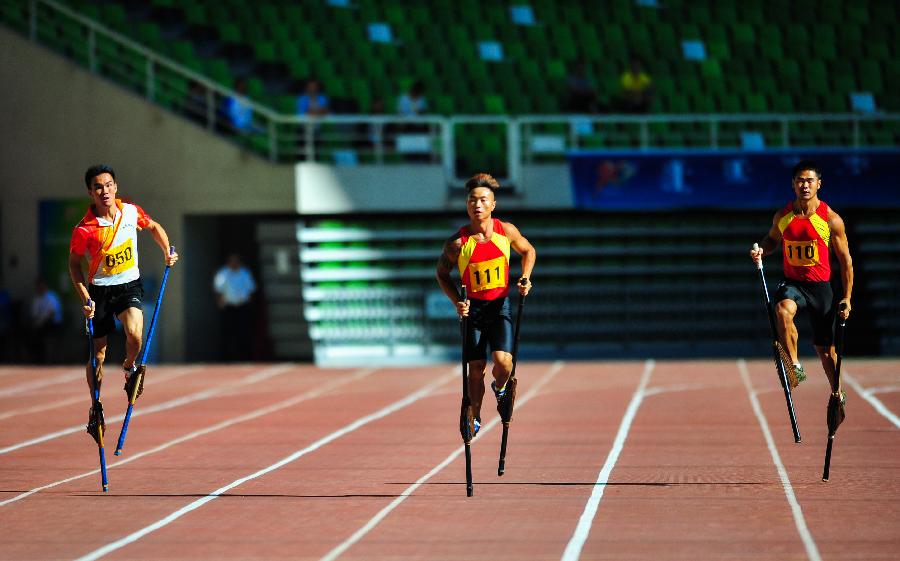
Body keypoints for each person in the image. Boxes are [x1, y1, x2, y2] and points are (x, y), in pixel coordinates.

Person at [68, 164, 178, 435]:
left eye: (108, 185)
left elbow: (153, 227)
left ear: (115, 187)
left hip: (128, 285)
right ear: (90, 193)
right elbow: (74, 265)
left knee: (135, 335)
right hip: (99, 292)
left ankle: (129, 368)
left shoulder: (130, 211)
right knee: (99, 354)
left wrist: (167, 251)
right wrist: (85, 298)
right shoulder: (85, 229)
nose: (104, 191)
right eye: (98, 187)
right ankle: (96, 405)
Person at [436, 173, 536, 435]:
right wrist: (458, 301)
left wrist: (525, 277)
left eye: (482, 200)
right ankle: (475, 415)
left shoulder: (506, 231)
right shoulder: (458, 244)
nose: (476, 205)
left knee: (504, 363)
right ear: (467, 205)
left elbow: (528, 251)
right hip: (473, 311)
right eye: (472, 200)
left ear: (493, 205)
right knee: (476, 368)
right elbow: (442, 274)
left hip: (498, 305)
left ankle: (501, 388)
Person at [749, 160, 853, 407]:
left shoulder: (830, 220)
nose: (804, 185)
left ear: (819, 184)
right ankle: (794, 365)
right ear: (793, 185)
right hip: (793, 283)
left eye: (809, 181)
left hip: (820, 287)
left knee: (826, 351)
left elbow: (845, 261)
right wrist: (761, 250)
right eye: (800, 181)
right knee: (782, 310)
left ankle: (837, 394)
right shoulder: (783, 216)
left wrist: (847, 297)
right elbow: (772, 240)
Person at [213, 253, 257, 362]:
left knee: (244, 333)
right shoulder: (223, 273)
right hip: (229, 307)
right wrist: (219, 302)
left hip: (243, 307)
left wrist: (251, 304)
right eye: (232, 261)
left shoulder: (245, 273)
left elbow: (251, 289)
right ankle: (229, 358)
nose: (234, 263)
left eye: (236, 261)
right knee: (229, 334)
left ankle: (245, 357)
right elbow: (218, 289)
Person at [29, 278, 63, 363]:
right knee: (31, 332)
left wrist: (42, 322)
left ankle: (49, 359)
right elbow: (34, 315)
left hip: (53, 323)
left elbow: (52, 313)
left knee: (45, 331)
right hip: (40, 325)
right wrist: (37, 323)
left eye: (41, 285)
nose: (39, 288)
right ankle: (37, 359)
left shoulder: (51, 297)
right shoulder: (36, 298)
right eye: (38, 286)